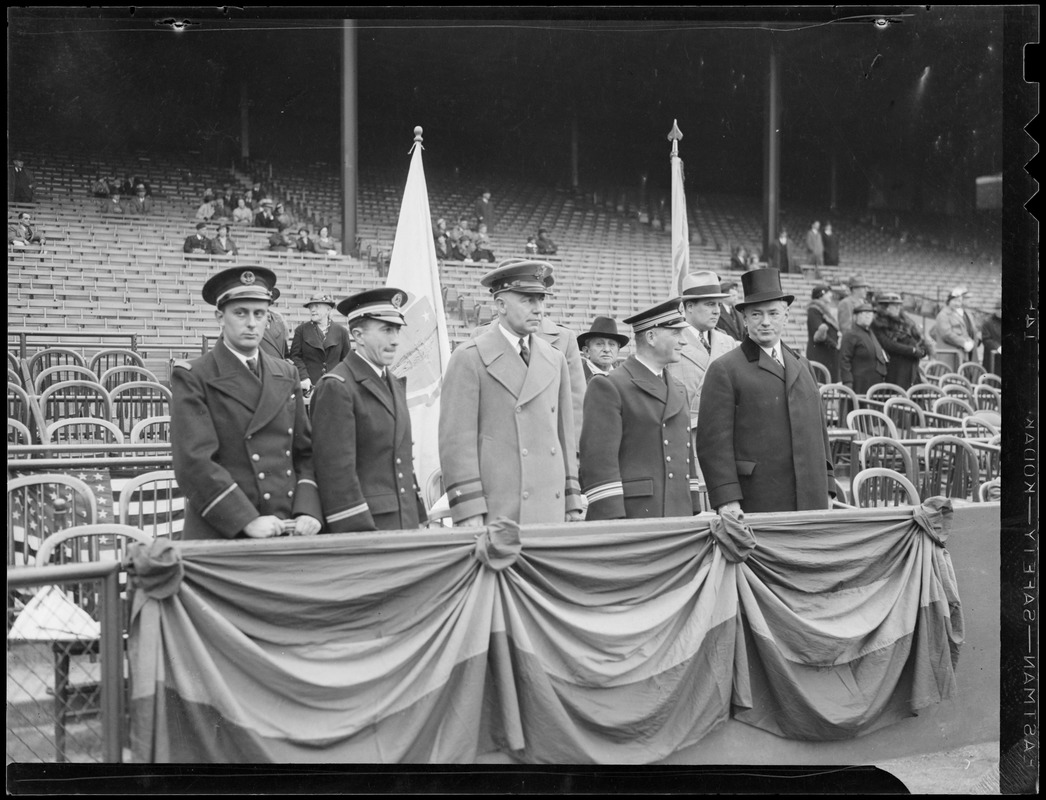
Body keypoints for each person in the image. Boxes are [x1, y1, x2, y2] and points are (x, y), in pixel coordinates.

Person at [170, 266, 323, 540]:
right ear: (220, 317)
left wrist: (308, 509)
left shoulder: (286, 373)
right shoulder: (194, 375)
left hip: (283, 526)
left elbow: (305, 452)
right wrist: (246, 520)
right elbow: (194, 463)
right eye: (240, 313)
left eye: (259, 313)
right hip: (225, 529)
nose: (252, 323)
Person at [438, 260, 583, 527]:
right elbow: (457, 442)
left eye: (541, 300)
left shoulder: (555, 358)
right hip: (499, 508)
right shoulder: (469, 357)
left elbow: (566, 435)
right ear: (501, 305)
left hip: (550, 507)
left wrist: (571, 499)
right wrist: (469, 509)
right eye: (528, 300)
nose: (538, 309)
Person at [696, 267, 835, 514]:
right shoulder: (725, 369)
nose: (766, 321)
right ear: (745, 319)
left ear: (786, 315)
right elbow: (713, 445)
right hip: (758, 499)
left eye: (773, 313)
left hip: (811, 498)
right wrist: (727, 499)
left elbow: (820, 433)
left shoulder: (802, 365)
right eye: (757, 314)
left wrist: (828, 487)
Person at [311, 287, 427, 533]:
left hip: (404, 522)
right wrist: (360, 534)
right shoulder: (337, 386)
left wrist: (419, 517)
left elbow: (401, 459)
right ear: (358, 335)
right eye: (386, 330)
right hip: (368, 527)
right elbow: (336, 473)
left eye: (396, 330)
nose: (395, 340)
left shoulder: (393, 382)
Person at [580, 297, 702, 520]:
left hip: (679, 511)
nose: (683, 342)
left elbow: (685, 456)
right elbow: (599, 463)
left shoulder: (679, 389)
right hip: (635, 515)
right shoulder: (609, 386)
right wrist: (612, 520)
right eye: (676, 333)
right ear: (651, 337)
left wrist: (693, 506)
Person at [669, 271, 739, 451]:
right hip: (683, 439)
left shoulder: (728, 342)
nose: (717, 311)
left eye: (718, 304)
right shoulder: (670, 342)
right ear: (689, 306)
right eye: (710, 304)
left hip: (724, 438)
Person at [289, 292, 352, 394]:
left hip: (335, 387)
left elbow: (346, 360)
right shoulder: (301, 330)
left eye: (317, 306)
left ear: (328, 310)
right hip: (309, 387)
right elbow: (295, 357)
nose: (312, 310)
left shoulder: (342, 332)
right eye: (311, 307)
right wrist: (304, 377)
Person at [871, 291, 932, 390]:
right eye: (894, 306)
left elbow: (919, 339)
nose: (898, 308)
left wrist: (922, 350)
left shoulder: (905, 321)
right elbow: (888, 344)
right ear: (885, 307)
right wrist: (912, 350)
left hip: (911, 368)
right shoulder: (878, 323)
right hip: (895, 368)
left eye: (899, 306)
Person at [839, 302, 888, 394]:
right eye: (864, 313)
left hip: (874, 383)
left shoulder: (871, 333)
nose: (867, 316)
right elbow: (844, 359)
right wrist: (847, 381)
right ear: (856, 317)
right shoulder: (851, 334)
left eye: (870, 314)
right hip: (858, 383)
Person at [932, 286, 981, 363]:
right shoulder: (943, 315)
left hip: (959, 355)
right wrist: (963, 343)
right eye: (954, 301)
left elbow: (964, 332)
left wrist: (969, 341)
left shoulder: (958, 315)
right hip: (948, 356)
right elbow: (946, 334)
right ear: (949, 301)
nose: (957, 303)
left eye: (959, 301)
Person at [805, 283, 841, 381]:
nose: (831, 295)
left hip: (828, 353)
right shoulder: (813, 310)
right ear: (821, 294)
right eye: (828, 293)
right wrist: (835, 345)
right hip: (820, 354)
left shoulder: (823, 311)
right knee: (821, 381)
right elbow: (819, 333)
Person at [577, 316, 629, 383]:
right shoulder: (575, 376)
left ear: (618, 351)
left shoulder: (625, 380)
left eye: (612, 344)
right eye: (599, 344)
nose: (606, 350)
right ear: (586, 351)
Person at [260, 288, 290, 361]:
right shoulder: (249, 320)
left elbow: (284, 344)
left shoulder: (279, 318)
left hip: (278, 367)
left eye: (268, 299)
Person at [980, 299, 1002, 374]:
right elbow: (986, 339)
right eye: (999, 309)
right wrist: (997, 347)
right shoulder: (988, 322)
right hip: (992, 357)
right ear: (996, 310)